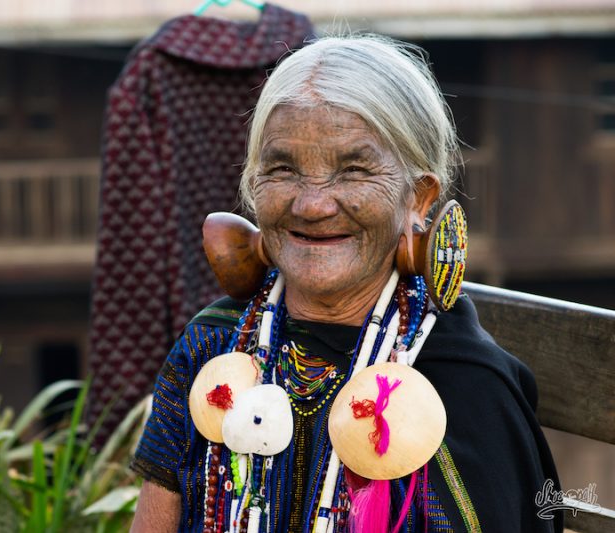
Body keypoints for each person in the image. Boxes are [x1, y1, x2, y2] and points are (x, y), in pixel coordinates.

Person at [130, 34, 562, 533]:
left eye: (353, 170)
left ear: (418, 200)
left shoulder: (462, 389)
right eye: (282, 169)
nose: (312, 205)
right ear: (253, 189)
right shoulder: (212, 344)